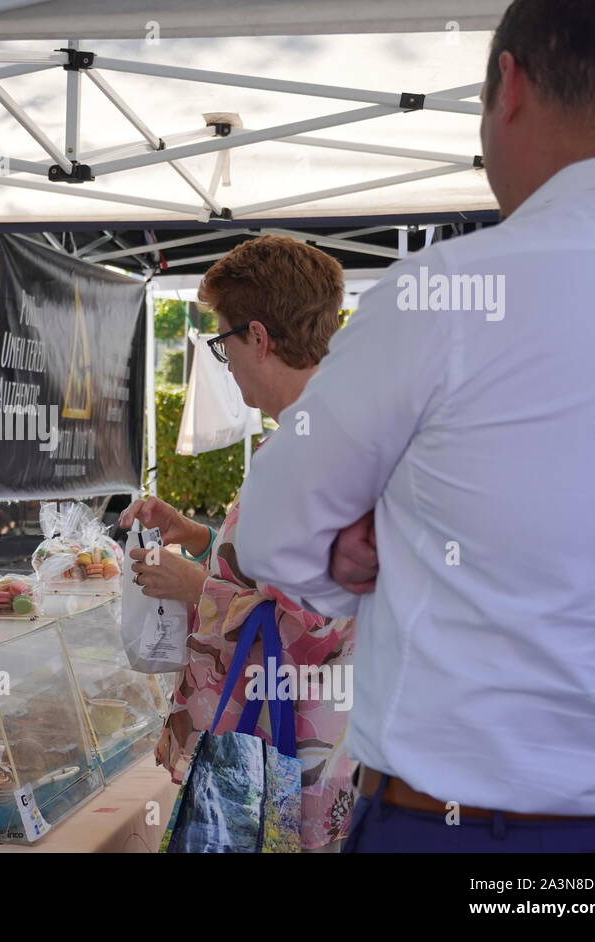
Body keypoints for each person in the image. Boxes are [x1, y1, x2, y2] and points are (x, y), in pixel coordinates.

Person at [236, 0, 595, 852]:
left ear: (510, 85)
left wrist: (368, 558)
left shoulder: (450, 294)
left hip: (467, 834)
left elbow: (277, 533)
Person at [121, 235, 356, 851]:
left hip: (292, 757)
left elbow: (312, 622)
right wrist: (201, 540)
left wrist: (196, 585)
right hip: (298, 743)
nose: (226, 359)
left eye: (222, 341)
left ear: (259, 337)